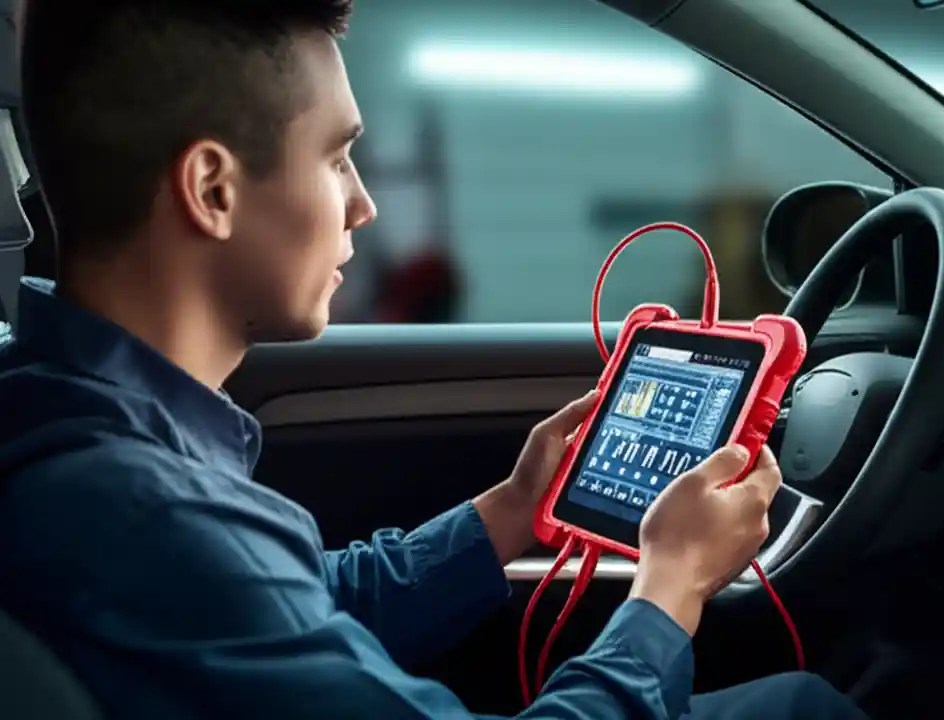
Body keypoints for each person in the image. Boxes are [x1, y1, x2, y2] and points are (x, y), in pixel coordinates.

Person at [0, 1, 864, 718]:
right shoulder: (147, 516)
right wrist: (671, 587)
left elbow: (296, 605)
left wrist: (514, 508)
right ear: (213, 190)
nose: (364, 204)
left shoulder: (62, 421)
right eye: (337, 158)